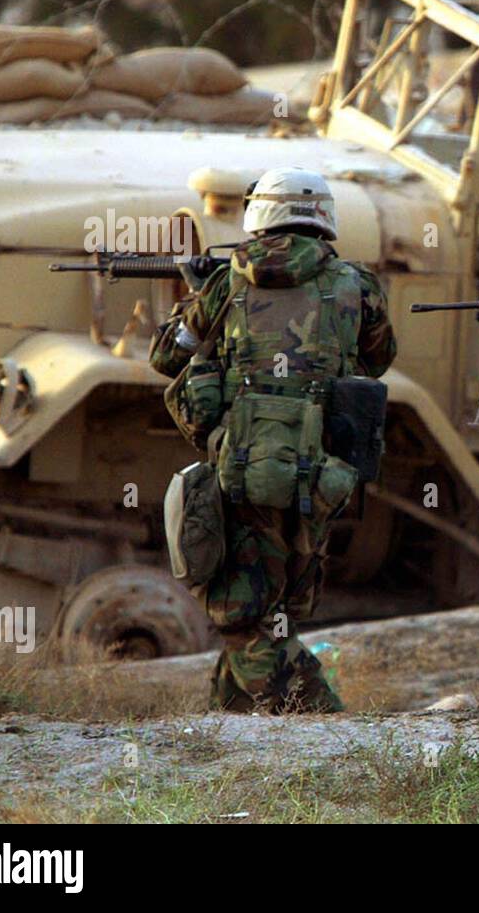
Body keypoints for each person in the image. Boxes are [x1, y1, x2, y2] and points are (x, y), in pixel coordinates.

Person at [150, 167, 395, 712]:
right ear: (323, 216)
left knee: (242, 613)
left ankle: (321, 719)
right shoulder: (357, 284)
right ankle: (235, 723)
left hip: (239, 466)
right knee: (276, 606)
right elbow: (378, 359)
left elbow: (167, 357)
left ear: (260, 213)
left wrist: (195, 295)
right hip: (321, 471)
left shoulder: (226, 284)